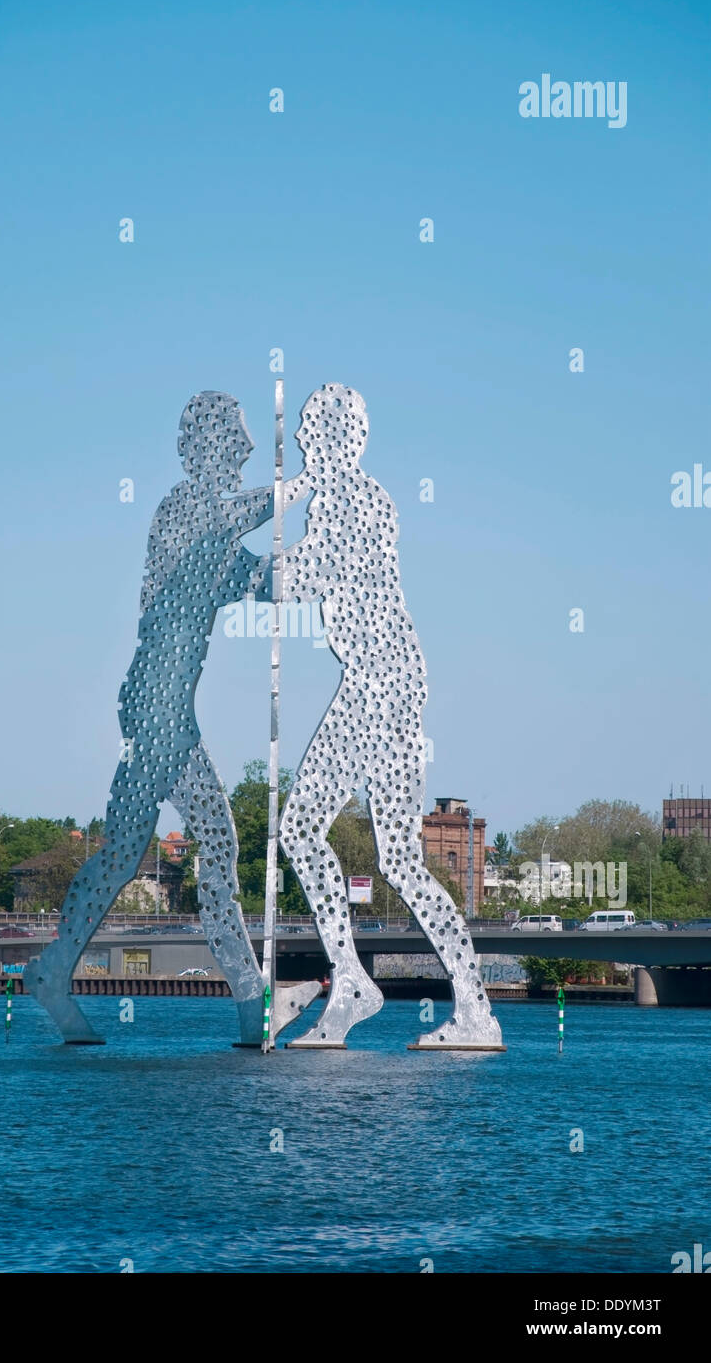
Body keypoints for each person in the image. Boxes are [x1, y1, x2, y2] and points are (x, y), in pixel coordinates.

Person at [24, 392, 319, 1043]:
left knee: (128, 851)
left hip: (162, 707)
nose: (244, 449)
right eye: (235, 439)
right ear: (206, 447)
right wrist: (306, 477)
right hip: (155, 705)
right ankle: (250, 1001)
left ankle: (52, 972)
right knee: (216, 843)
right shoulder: (185, 511)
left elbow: (269, 583)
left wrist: (331, 556)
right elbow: (235, 517)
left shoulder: (217, 537)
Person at [279, 384, 504, 1050]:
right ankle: (444, 1001)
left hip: (381, 685)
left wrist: (237, 567)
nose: (301, 447)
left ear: (339, 441)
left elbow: (304, 573)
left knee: (311, 833)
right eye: (299, 438)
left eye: (309, 437)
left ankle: (436, 1001)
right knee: (392, 856)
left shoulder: (356, 500)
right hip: (380, 683)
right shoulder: (340, 500)